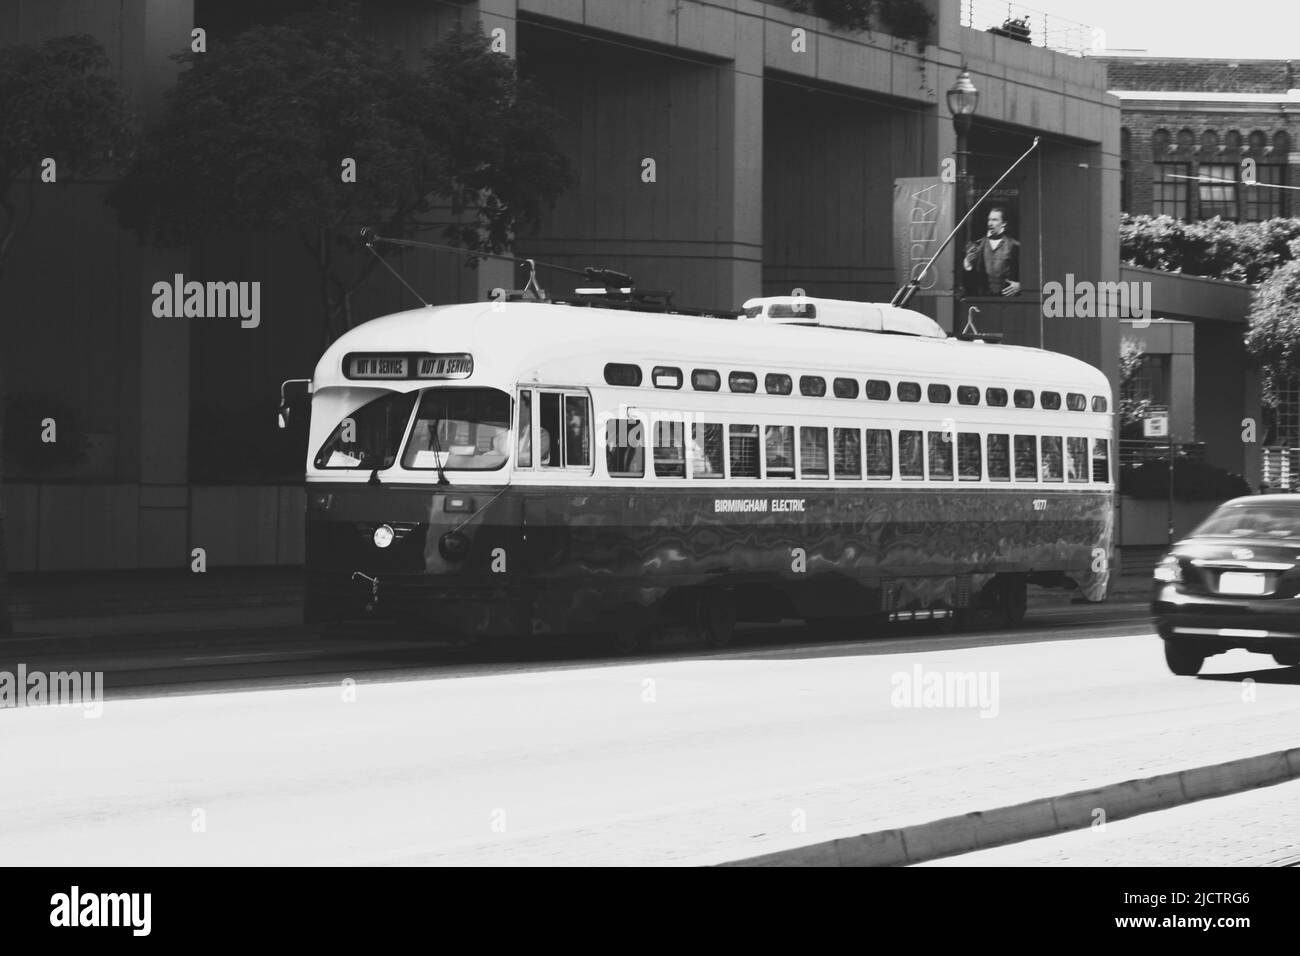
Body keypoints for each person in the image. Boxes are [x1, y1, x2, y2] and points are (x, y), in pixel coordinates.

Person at [963, 206, 1021, 297]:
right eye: (989, 220)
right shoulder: (978, 244)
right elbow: (970, 277)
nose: (990, 223)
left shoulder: (1014, 245)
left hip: (1008, 299)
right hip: (984, 298)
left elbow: (1028, 272)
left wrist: (1020, 285)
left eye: (995, 220)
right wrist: (967, 263)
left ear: (1004, 223)